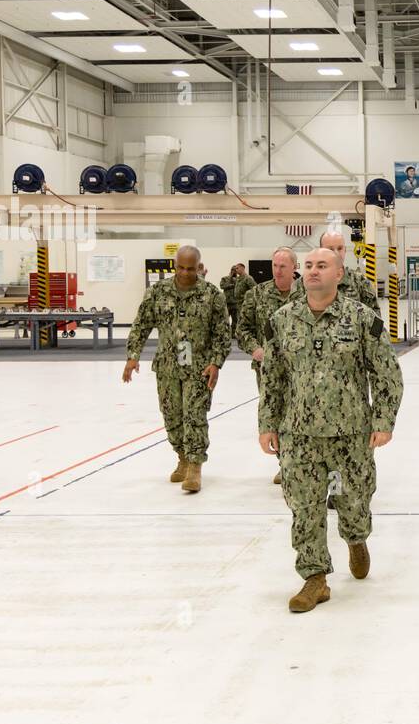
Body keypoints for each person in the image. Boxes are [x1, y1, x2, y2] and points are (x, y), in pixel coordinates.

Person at [258, 248, 404, 613]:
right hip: (298, 433)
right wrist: (267, 424)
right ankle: (315, 578)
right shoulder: (281, 320)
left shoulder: (361, 320)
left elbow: (386, 374)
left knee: (353, 502)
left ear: (339, 274)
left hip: (350, 433)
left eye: (322, 266)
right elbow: (272, 378)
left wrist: (383, 421)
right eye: (308, 266)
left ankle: (356, 538)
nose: (313, 271)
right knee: (304, 507)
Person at [124, 245, 231, 493]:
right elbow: (141, 325)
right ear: (175, 266)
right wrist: (132, 356)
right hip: (168, 366)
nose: (185, 273)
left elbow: (222, 334)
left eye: (190, 268)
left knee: (194, 415)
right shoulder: (157, 292)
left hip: (199, 368)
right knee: (171, 415)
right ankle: (182, 456)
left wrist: (216, 362)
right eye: (181, 267)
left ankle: (195, 466)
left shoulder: (211, 294)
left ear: (200, 267)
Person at [236, 247, 301, 485]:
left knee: (299, 414)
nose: (278, 271)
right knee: (275, 415)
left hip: (301, 369)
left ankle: (299, 463)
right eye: (275, 266)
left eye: (283, 266)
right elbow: (242, 329)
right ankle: (285, 464)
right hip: (268, 370)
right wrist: (255, 349)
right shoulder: (257, 294)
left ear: (295, 267)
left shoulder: (308, 293)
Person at [303, 230, 380, 312]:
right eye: (330, 249)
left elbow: (374, 318)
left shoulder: (360, 282)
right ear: (321, 251)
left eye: (340, 248)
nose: (336, 253)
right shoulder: (306, 282)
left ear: (345, 250)